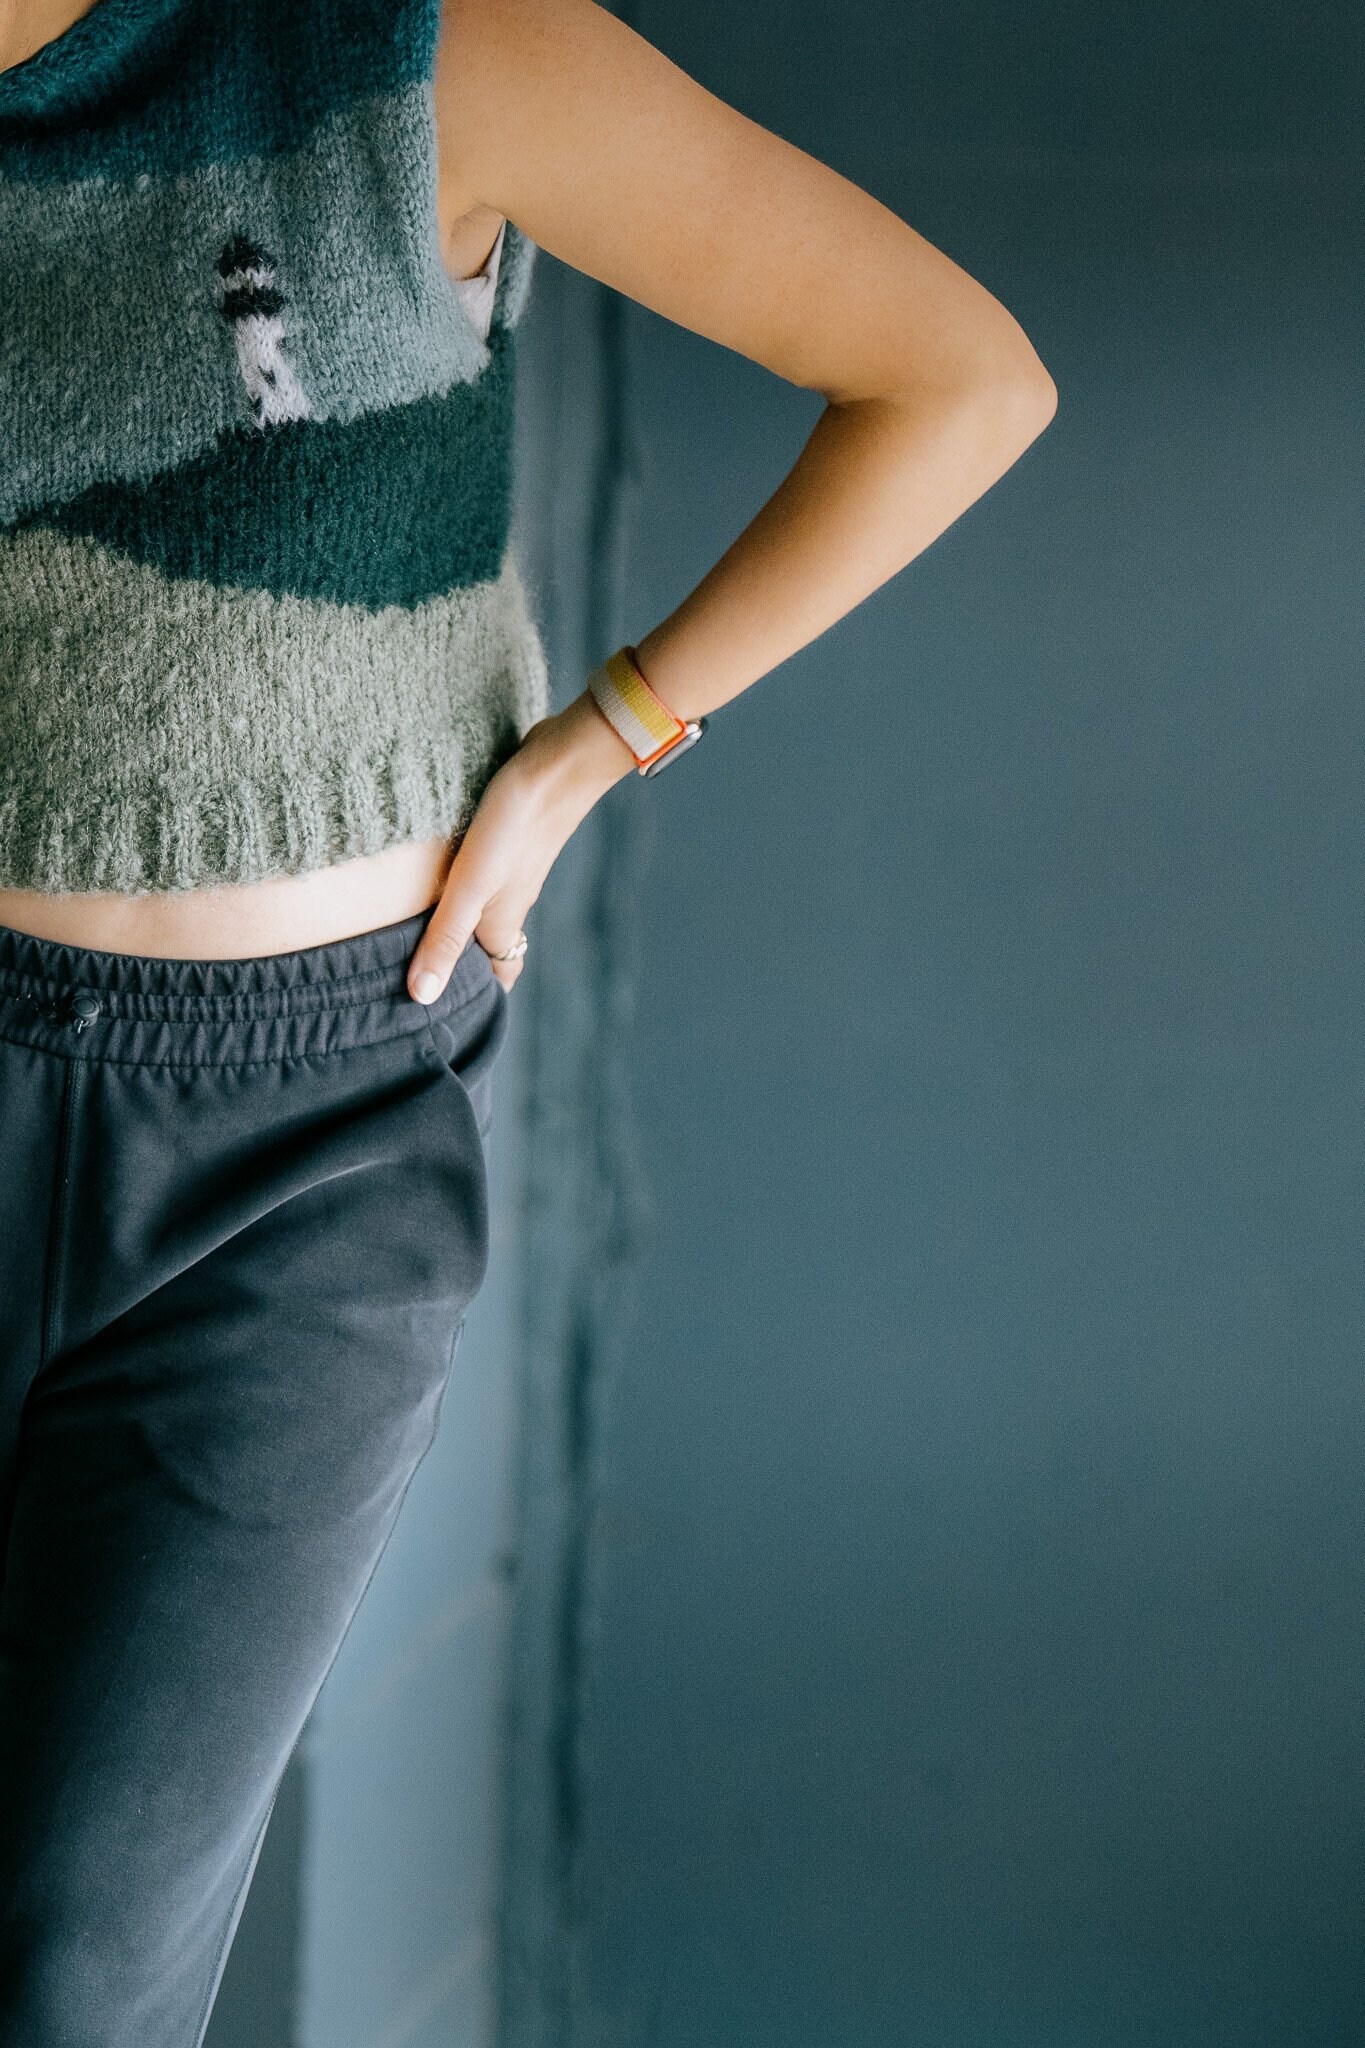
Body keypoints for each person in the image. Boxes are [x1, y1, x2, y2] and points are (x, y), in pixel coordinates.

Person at [0, 0, 1056, 2039]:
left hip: (293, 1161)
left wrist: (601, 740)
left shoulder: (429, 47)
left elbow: (951, 378)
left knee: (68, 1968)